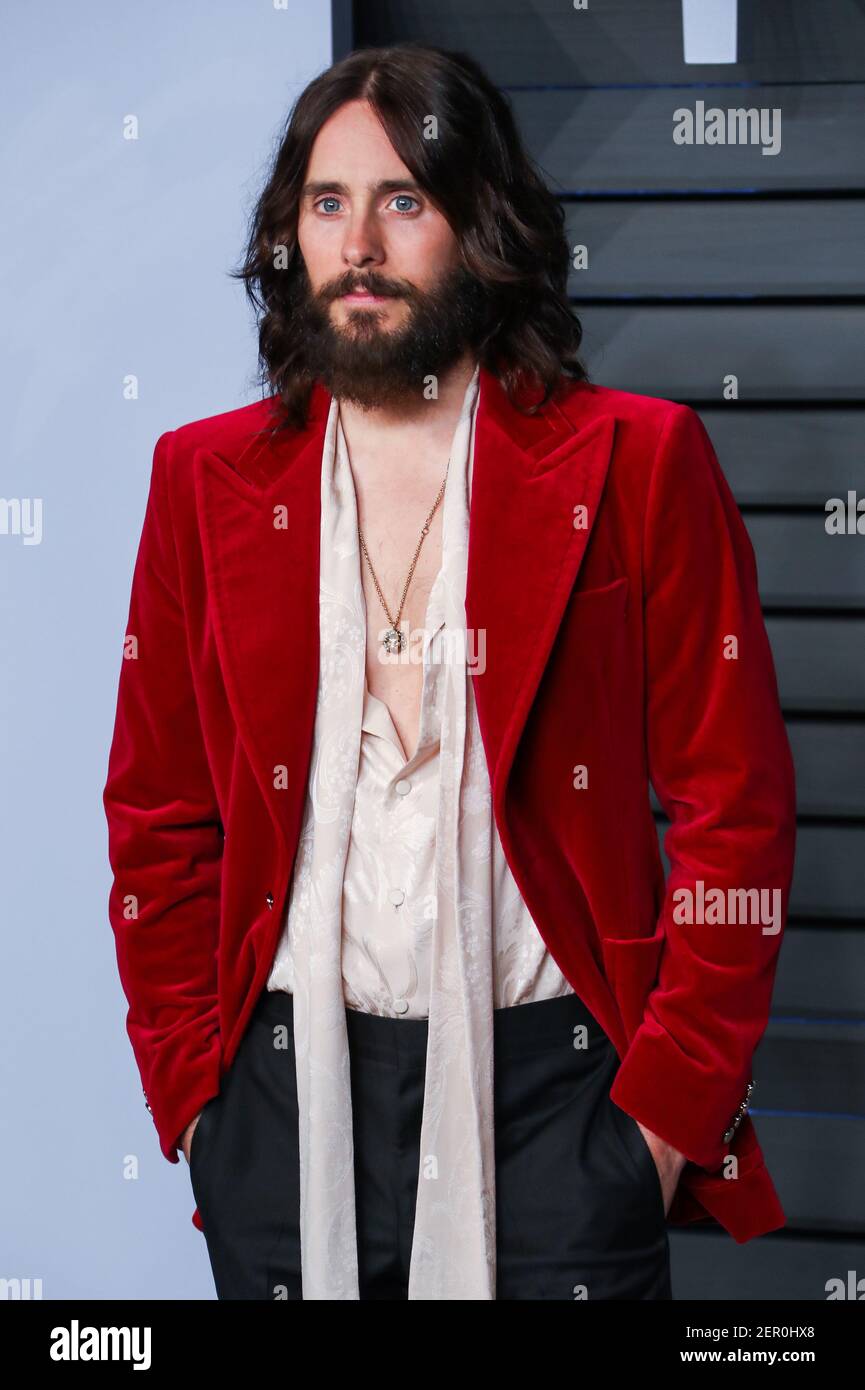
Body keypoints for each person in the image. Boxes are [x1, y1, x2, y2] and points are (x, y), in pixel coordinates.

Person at [102, 43, 797, 1301]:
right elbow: (156, 817)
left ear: (480, 224)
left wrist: (653, 1128)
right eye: (327, 203)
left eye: (403, 199)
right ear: (290, 236)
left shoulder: (636, 463)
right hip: (278, 1096)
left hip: (558, 1098)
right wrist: (200, 1106)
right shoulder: (203, 482)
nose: (358, 240)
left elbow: (733, 813)